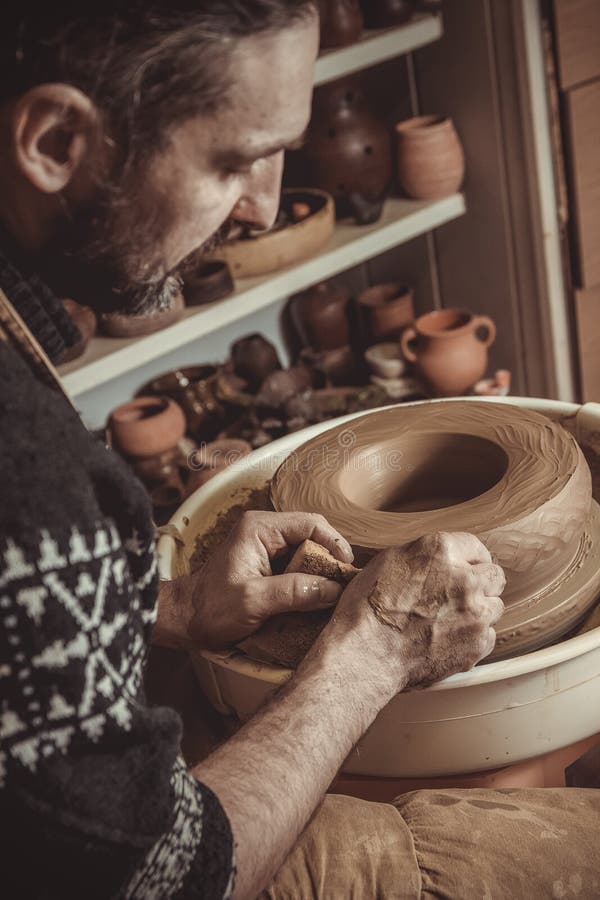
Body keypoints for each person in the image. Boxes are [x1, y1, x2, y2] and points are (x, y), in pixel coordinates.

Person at [0, 3, 598, 899]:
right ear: (54, 143)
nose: (267, 208)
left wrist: (169, 605)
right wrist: (375, 649)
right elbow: (162, 882)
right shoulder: (30, 470)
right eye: (236, 160)